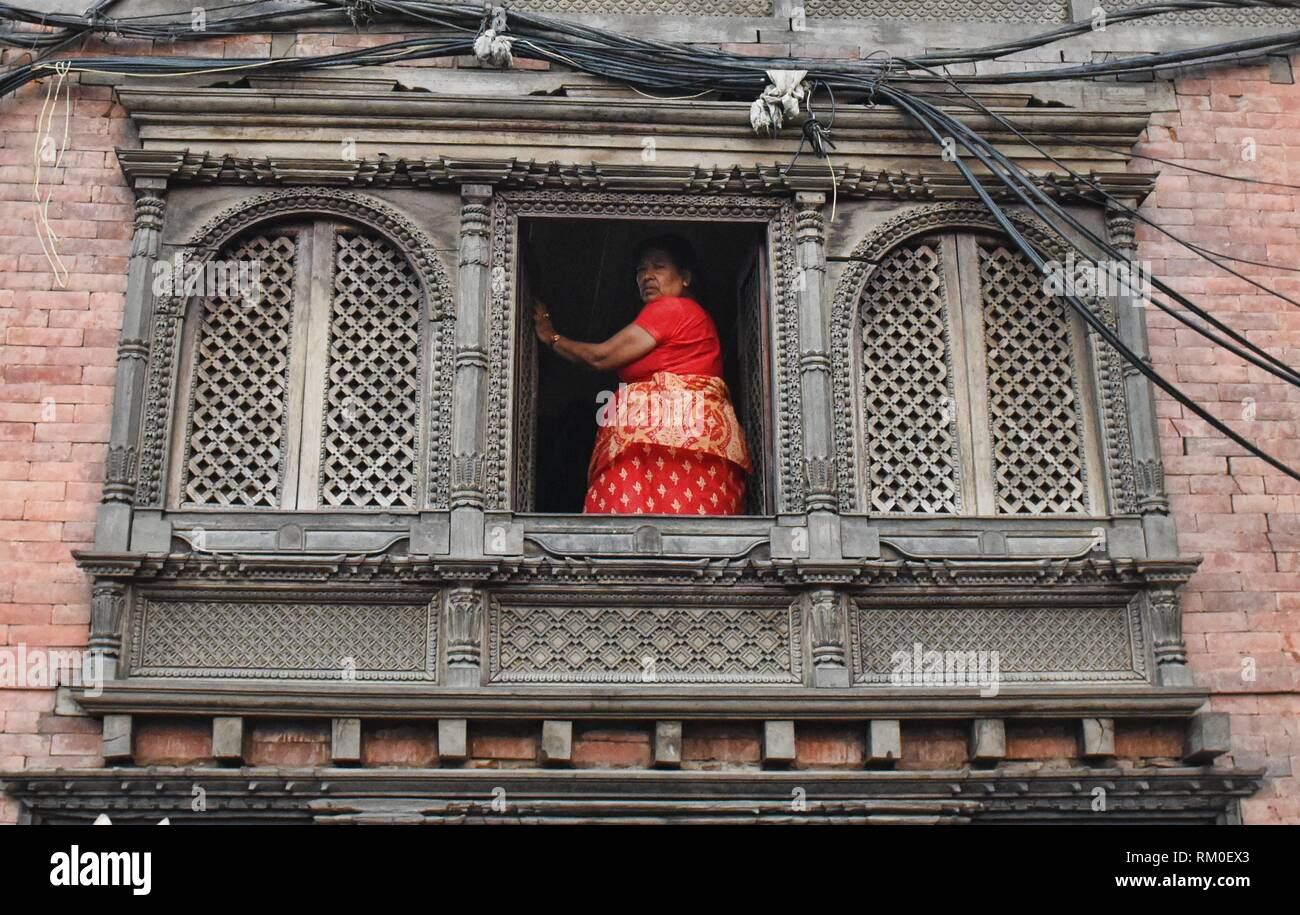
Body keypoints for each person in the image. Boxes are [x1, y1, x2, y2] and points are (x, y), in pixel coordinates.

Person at [533, 234, 751, 515]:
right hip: (696, 448)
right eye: (640, 270)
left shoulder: (672, 308)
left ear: (685, 277)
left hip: (667, 452)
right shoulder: (694, 315)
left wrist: (551, 336)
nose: (647, 275)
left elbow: (602, 357)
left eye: (658, 267)